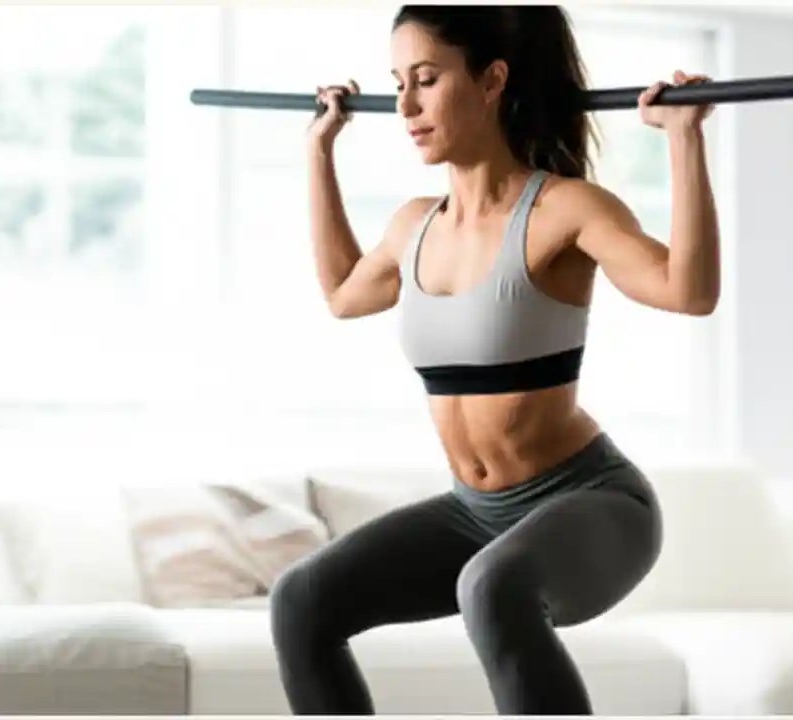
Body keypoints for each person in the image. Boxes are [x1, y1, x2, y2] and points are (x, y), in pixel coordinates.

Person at [270, 5, 720, 716]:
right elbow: (343, 296)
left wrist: (684, 143)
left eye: (426, 79)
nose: (406, 106)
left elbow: (688, 292)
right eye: (398, 83)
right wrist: (318, 151)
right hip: (475, 514)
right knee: (302, 601)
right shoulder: (415, 224)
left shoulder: (564, 209)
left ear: (491, 81)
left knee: (491, 584)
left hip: (591, 505)